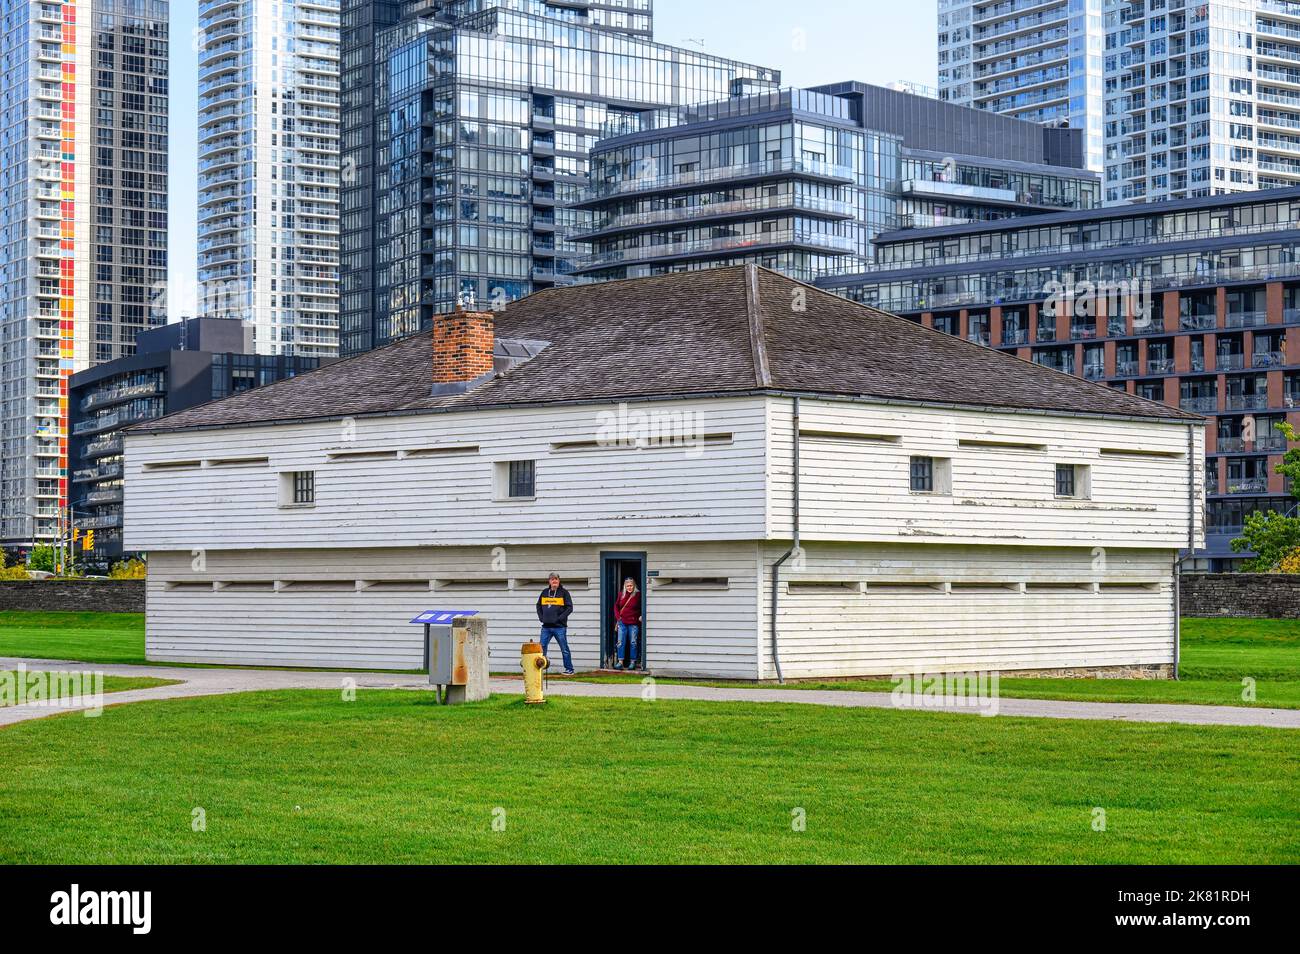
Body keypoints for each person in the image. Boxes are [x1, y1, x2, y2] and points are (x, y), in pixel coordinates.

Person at [536, 572, 575, 675]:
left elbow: (569, 608)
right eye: (552, 579)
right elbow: (538, 605)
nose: (554, 581)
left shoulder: (564, 593)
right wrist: (541, 617)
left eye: (556, 579)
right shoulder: (544, 592)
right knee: (542, 647)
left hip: (560, 627)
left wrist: (559, 618)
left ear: (559, 581)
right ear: (549, 581)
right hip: (546, 627)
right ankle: (540, 668)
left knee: (564, 648)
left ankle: (569, 669)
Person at [613, 577, 642, 670]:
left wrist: (641, 615)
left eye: (631, 585)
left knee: (633, 643)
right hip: (622, 622)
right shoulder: (621, 594)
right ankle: (620, 662)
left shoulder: (638, 595)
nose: (629, 587)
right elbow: (616, 606)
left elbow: (643, 605)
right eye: (627, 586)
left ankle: (633, 662)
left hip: (634, 622)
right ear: (625, 586)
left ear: (634, 586)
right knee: (620, 642)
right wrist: (618, 617)